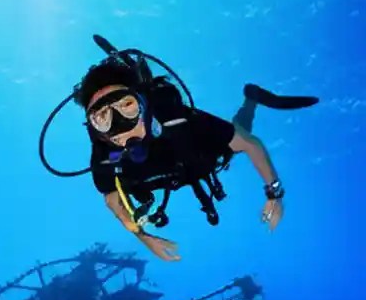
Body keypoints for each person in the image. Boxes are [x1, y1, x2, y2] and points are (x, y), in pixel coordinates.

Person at [39, 34, 318, 262]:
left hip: (198, 157)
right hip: (173, 169)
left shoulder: (178, 120)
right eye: (103, 118)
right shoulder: (103, 158)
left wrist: (274, 193)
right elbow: (112, 199)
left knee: (235, 141)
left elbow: (249, 144)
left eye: (126, 106)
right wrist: (144, 237)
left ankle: (251, 100)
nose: (119, 125)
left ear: (144, 104)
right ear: (94, 129)